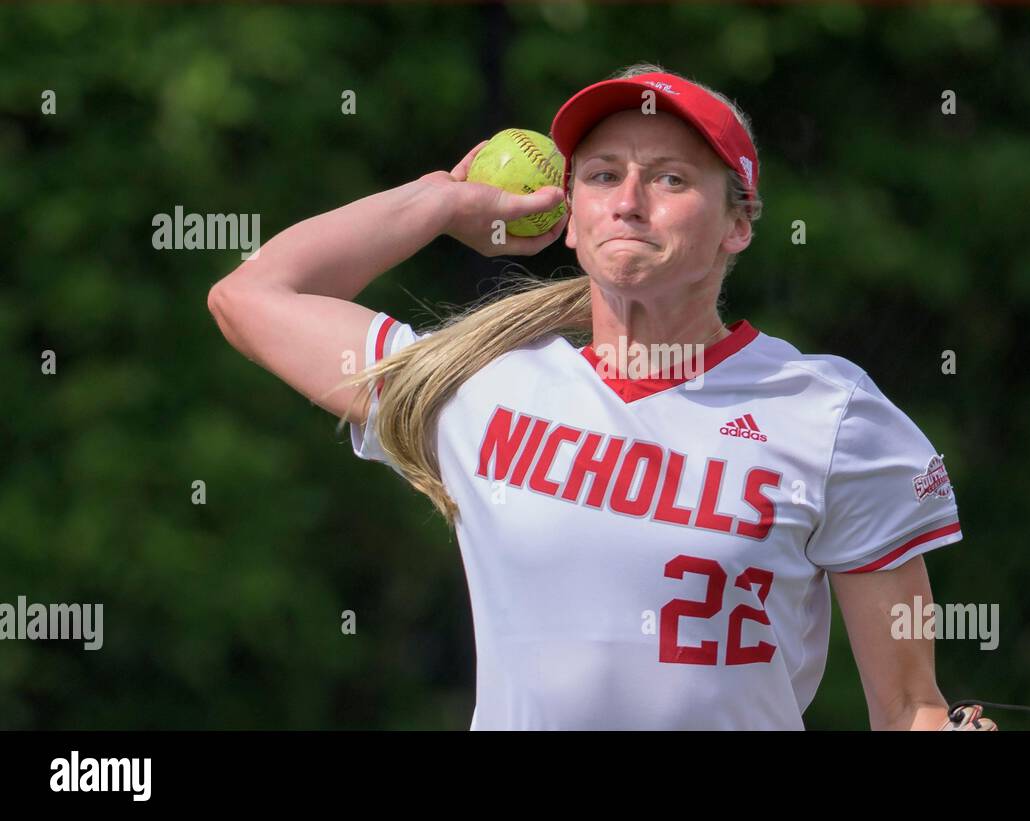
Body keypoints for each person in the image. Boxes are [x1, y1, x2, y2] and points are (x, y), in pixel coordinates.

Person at [207, 63, 979, 731]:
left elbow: (910, 707)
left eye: (672, 178)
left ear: (738, 224)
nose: (630, 199)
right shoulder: (481, 387)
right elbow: (250, 295)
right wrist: (439, 201)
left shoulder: (830, 414)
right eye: (604, 175)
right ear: (569, 218)